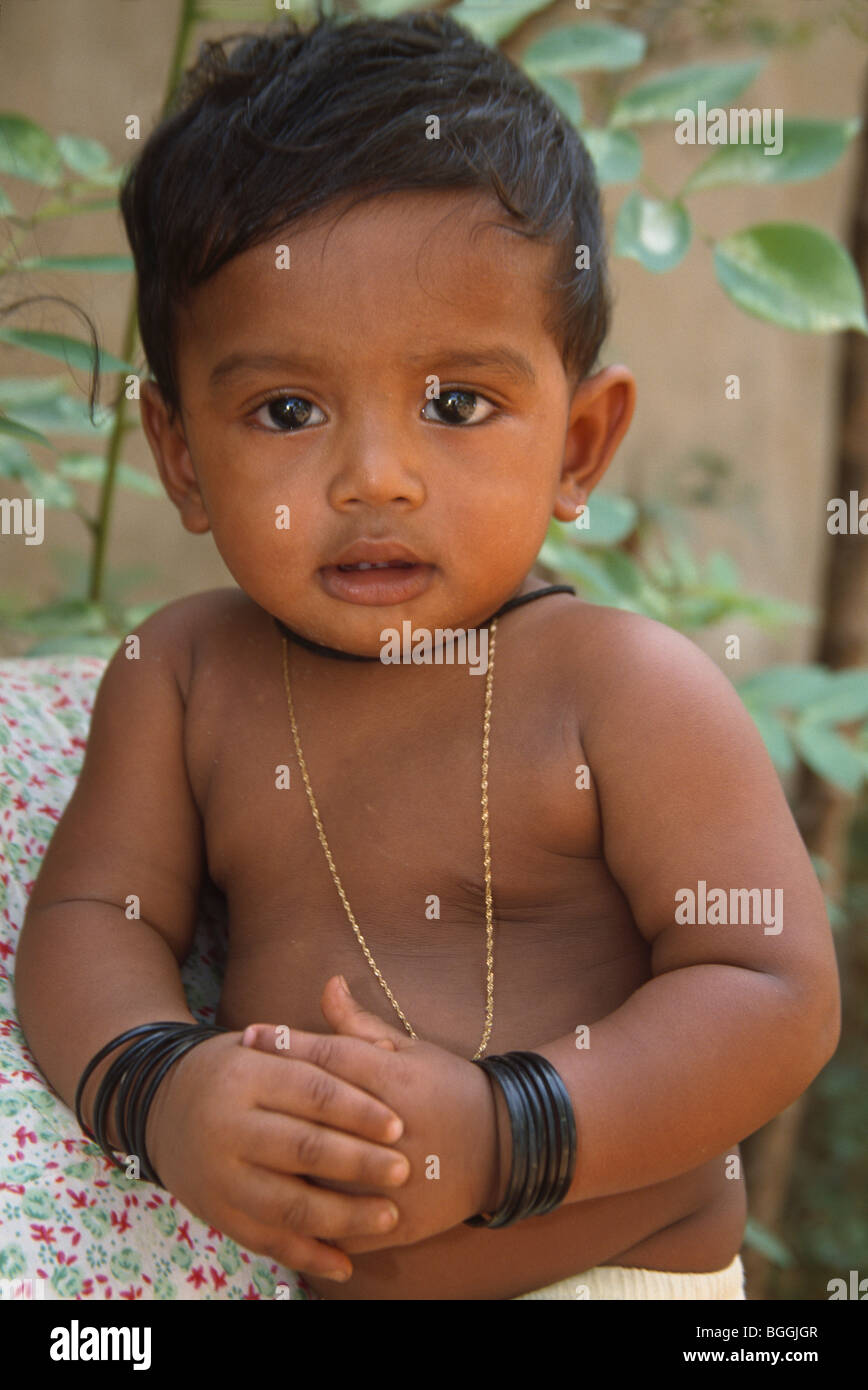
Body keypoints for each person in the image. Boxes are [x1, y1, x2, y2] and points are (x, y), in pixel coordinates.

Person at [14, 9, 840, 1301]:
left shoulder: (621, 688)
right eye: (287, 409)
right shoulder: (180, 677)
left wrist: (506, 1130)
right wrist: (160, 1087)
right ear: (179, 452)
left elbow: (772, 989)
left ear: (578, 443)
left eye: (457, 403)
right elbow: (85, 919)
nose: (376, 479)